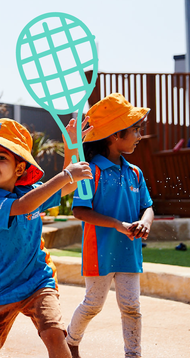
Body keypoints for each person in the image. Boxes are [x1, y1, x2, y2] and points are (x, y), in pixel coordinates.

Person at [0, 118, 92, 358]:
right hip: (2, 285)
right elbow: (23, 206)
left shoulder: (29, 191)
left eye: (1, 157)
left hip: (38, 279)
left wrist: (70, 146)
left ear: (19, 169)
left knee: (54, 334)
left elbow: (66, 187)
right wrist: (66, 175)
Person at [66, 93, 154, 358]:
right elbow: (79, 210)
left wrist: (145, 222)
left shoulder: (135, 172)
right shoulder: (89, 171)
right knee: (93, 304)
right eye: (135, 130)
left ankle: (133, 355)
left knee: (132, 308)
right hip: (99, 252)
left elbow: (147, 206)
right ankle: (70, 341)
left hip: (129, 252)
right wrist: (117, 224)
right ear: (116, 134)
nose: (139, 136)